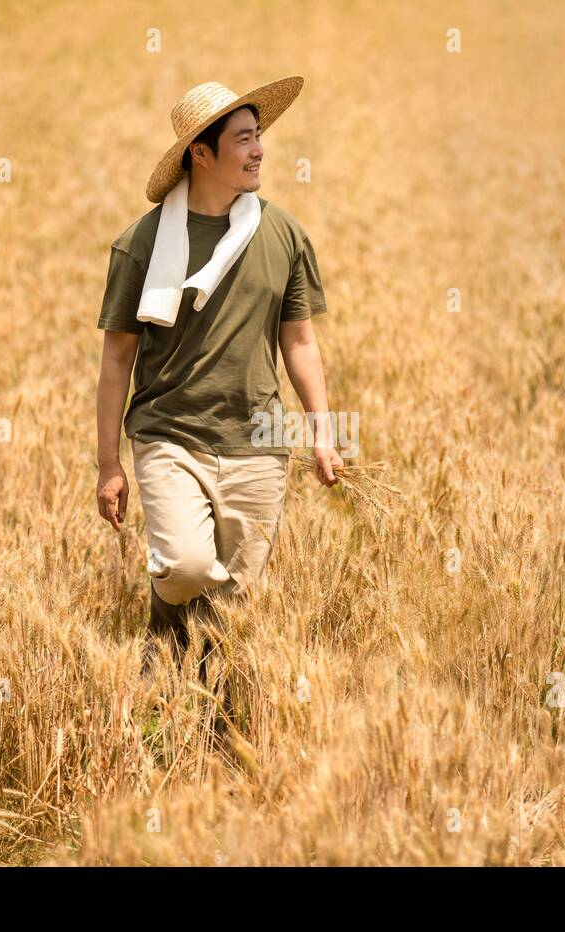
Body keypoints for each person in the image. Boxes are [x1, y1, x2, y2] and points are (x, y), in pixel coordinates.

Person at [94, 76, 342, 680]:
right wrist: (108, 464)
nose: (259, 150)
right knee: (183, 568)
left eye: (259, 137)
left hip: (256, 446)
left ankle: (213, 730)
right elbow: (117, 359)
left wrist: (323, 431)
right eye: (244, 139)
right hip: (169, 435)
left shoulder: (283, 235)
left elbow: (299, 341)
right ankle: (164, 617)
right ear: (200, 154)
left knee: (236, 611)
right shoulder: (143, 243)